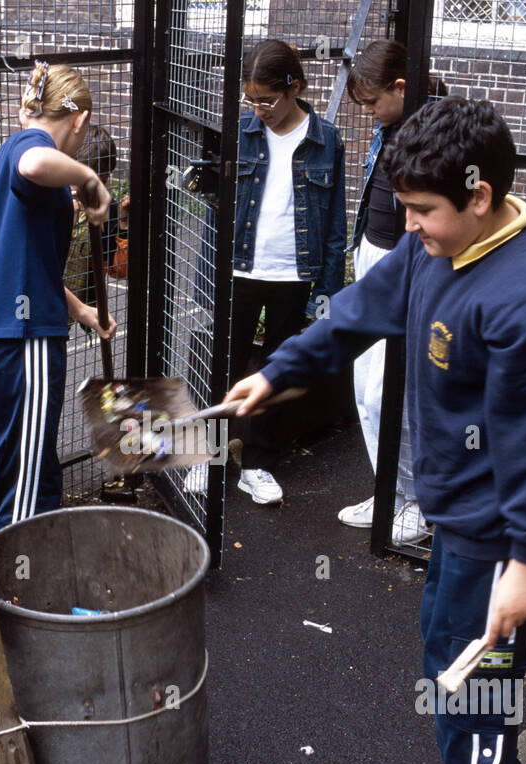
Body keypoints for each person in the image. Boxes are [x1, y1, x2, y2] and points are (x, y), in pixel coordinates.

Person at [225, 98, 526, 764]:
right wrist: (276, 374)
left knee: (476, 683)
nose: (410, 225)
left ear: (479, 197)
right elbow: (357, 312)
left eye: (423, 211)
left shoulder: (523, 300)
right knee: (449, 663)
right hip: (457, 518)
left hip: (497, 534)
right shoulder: (434, 249)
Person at [184, 39, 346, 505]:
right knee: (223, 363)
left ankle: (258, 463)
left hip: (295, 272)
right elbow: (215, 207)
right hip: (239, 266)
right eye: (250, 99)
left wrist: (327, 291)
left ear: (294, 87)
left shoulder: (326, 138)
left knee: (279, 368)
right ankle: (208, 455)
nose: (258, 110)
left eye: (266, 100)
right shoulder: (240, 130)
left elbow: (335, 223)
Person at [0, 61, 115, 535]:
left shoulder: (7, 150)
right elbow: (36, 163)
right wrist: (90, 180)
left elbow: (24, 258)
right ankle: (19, 599)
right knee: (24, 490)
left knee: (14, 471)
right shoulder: (30, 147)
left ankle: (7, 587)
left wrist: (80, 309)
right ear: (80, 120)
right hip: (21, 343)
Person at [337, 41, 445, 541]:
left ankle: (415, 502)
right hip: (374, 255)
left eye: (374, 102)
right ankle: (390, 494)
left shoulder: (434, 128)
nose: (370, 114)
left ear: (402, 87)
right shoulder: (392, 124)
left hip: (409, 264)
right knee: (365, 388)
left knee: (389, 393)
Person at [62, 124, 129, 310]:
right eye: (84, 181)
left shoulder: (107, 209)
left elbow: (118, 270)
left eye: (103, 181)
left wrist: (122, 223)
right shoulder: (52, 198)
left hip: (70, 310)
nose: (94, 190)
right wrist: (68, 223)